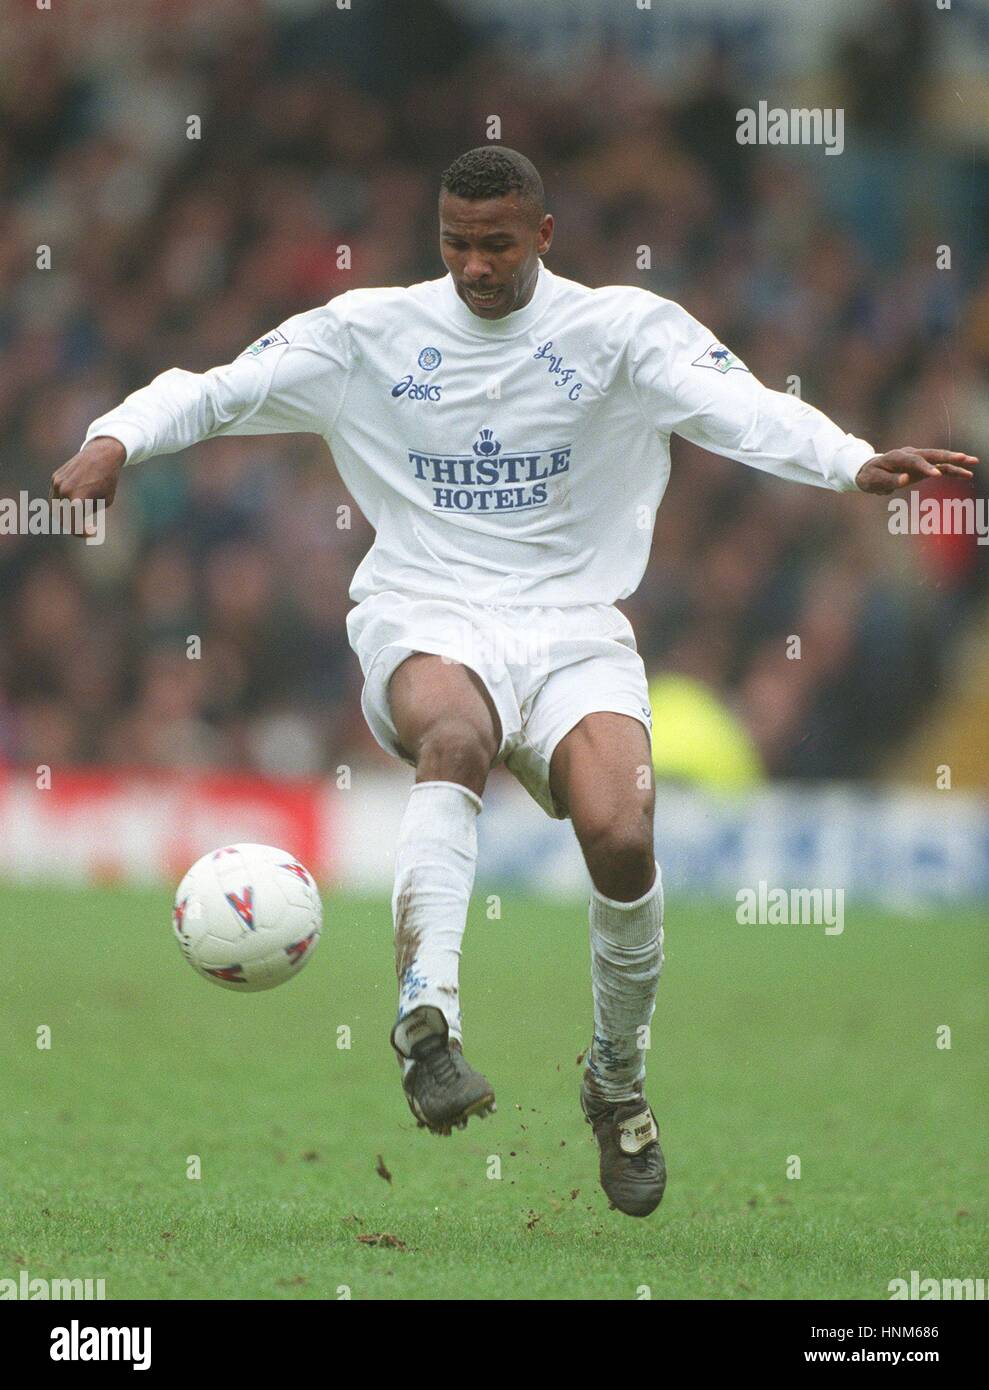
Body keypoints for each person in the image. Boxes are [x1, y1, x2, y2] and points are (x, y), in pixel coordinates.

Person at [51, 146, 977, 1218]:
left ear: (542, 235)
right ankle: (424, 1020)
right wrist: (116, 436)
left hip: (573, 625)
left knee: (622, 833)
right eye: (455, 244)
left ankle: (615, 1081)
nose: (474, 265)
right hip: (423, 608)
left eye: (495, 244)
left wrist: (847, 458)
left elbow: (743, 407)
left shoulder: (619, 331)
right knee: (453, 737)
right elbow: (213, 390)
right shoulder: (368, 334)